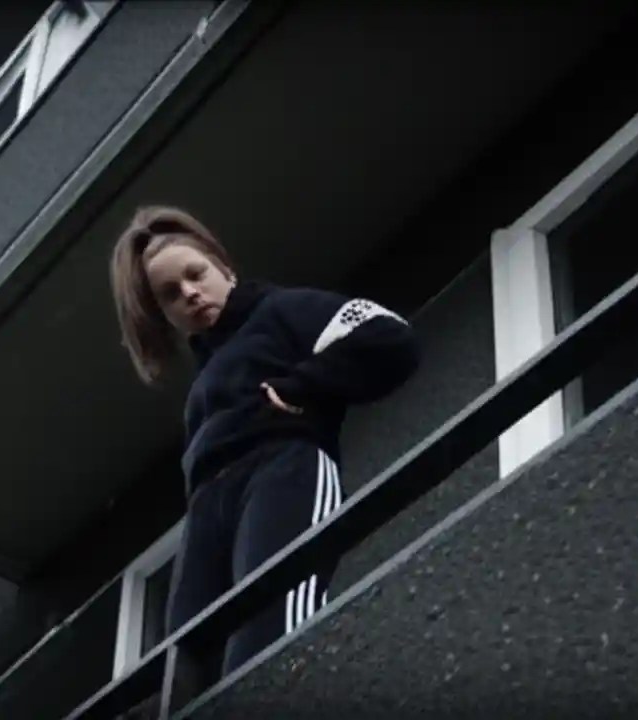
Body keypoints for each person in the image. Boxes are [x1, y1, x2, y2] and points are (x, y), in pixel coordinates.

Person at [110, 205, 419, 677]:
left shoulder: (279, 310)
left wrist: (303, 386)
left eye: (196, 275)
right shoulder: (201, 390)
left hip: (282, 475)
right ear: (168, 317)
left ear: (224, 268)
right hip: (209, 508)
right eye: (172, 295)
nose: (190, 294)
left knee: (272, 630)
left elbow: (388, 335)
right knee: (187, 659)